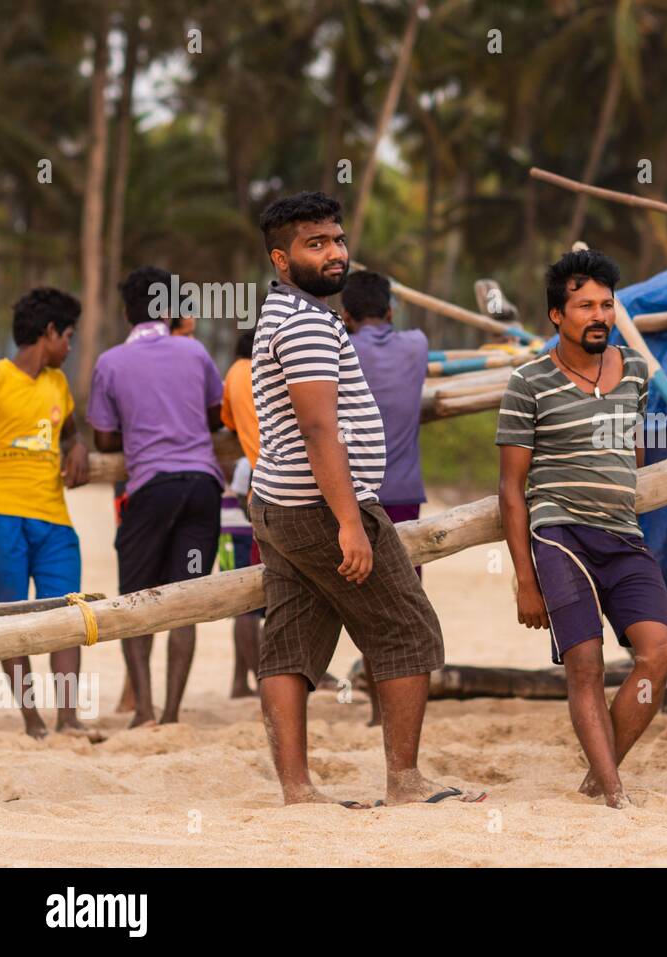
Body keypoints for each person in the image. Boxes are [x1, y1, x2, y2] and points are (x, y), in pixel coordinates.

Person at [249, 191, 479, 807]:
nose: (334, 253)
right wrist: (350, 521)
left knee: (292, 641)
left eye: (338, 239)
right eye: (315, 243)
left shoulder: (288, 315)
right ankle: (405, 783)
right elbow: (319, 428)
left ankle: (298, 792)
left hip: (282, 502)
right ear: (281, 258)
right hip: (320, 507)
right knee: (407, 628)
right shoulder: (303, 323)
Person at [497, 249, 667, 810]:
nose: (598, 315)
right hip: (560, 536)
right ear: (557, 315)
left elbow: (636, 449)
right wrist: (525, 580)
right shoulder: (528, 382)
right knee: (586, 666)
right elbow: (511, 488)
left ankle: (599, 774)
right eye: (584, 306)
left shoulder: (637, 372)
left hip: (624, 536)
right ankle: (614, 791)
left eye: (606, 304)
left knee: (660, 653)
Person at [87, 265, 225, 727]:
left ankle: (142, 709)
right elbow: (213, 418)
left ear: (128, 312)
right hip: (202, 489)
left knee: (136, 599)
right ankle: (170, 714)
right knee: (185, 598)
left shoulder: (110, 362)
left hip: (151, 492)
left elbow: (105, 441)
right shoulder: (195, 352)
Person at [0, 288, 100, 740]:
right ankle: (33, 721)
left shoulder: (58, 384)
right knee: (13, 619)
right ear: (49, 332)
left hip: (56, 522)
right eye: (69, 336)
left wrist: (76, 445)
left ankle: (69, 718)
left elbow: (71, 429)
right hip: (3, 518)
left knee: (69, 617)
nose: (70, 347)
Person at [341, 269, 430, 727]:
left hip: (352, 497)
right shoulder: (416, 346)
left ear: (346, 315)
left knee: (368, 607)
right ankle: (402, 709)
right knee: (405, 603)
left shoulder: (342, 350)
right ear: (390, 311)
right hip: (403, 496)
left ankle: (379, 710)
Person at [220, 330, 262, 697]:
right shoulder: (267, 372)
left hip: (233, 506)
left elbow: (227, 424)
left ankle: (239, 680)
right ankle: (259, 677)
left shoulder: (234, 377)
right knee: (255, 598)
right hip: (252, 498)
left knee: (244, 596)